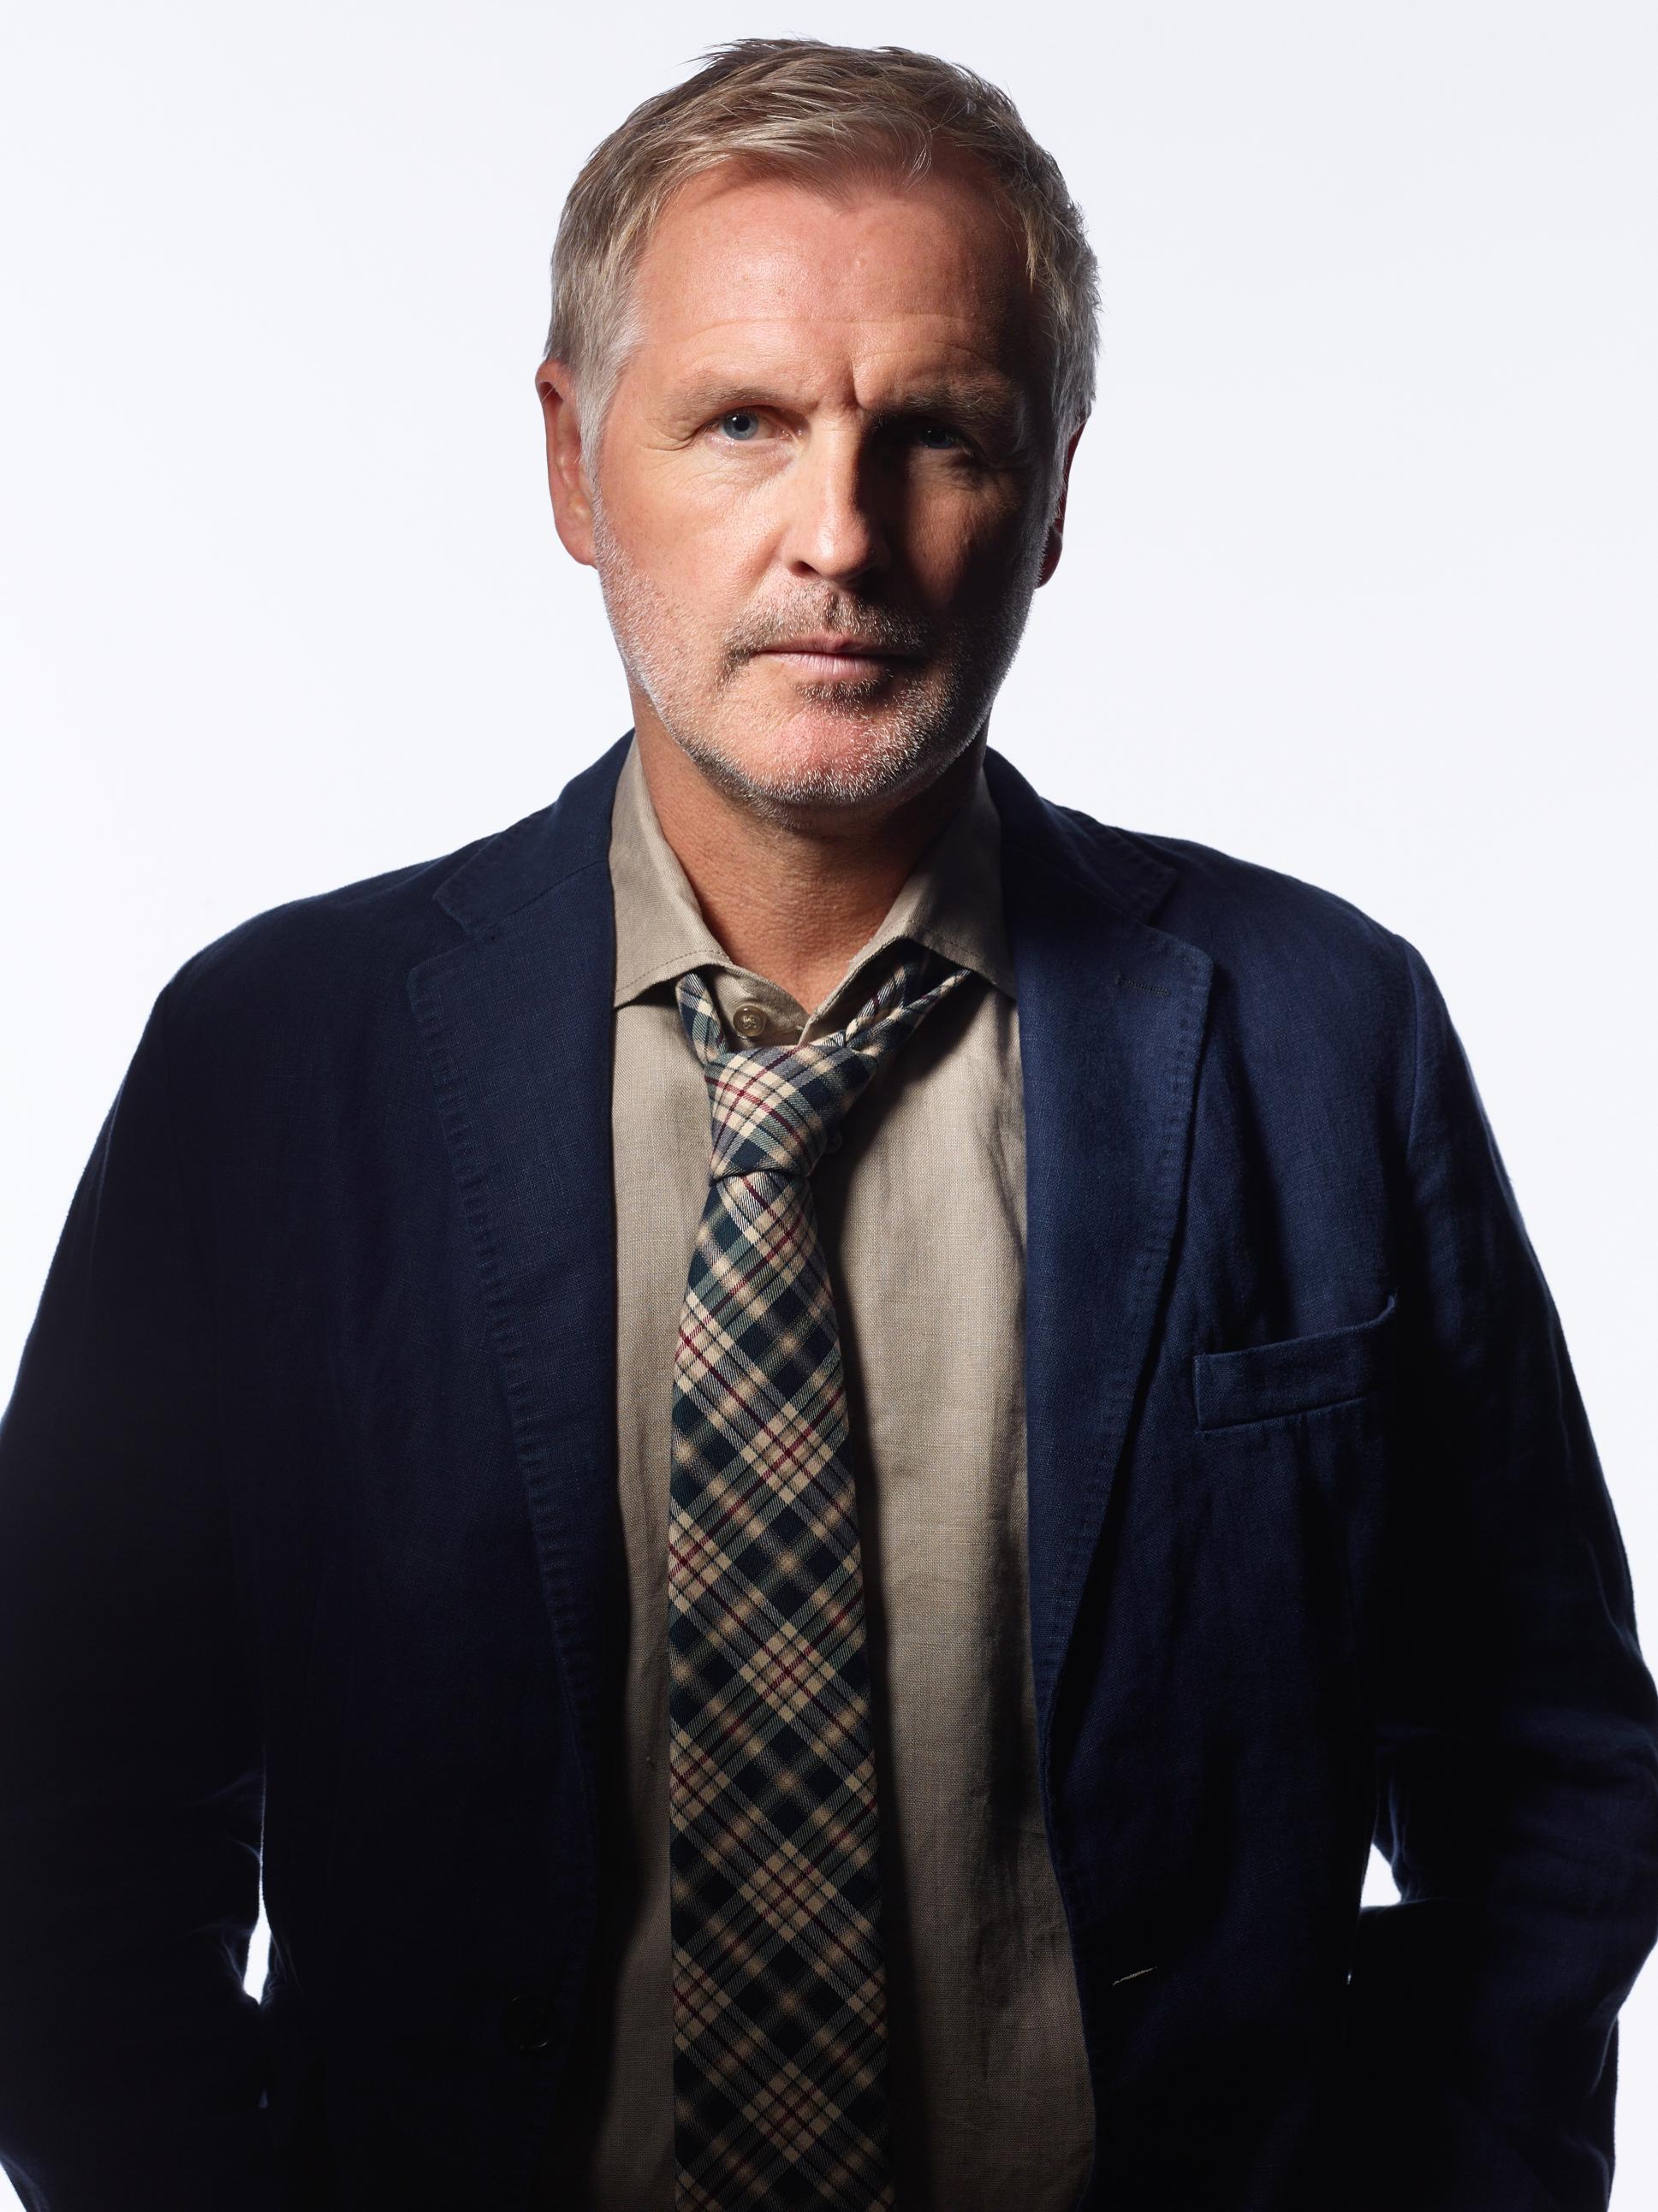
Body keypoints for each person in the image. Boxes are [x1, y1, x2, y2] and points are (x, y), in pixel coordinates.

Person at [0, 33, 1653, 2212]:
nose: (842, 538)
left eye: (940, 433)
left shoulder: (1321, 1030)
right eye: (743, 424)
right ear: (576, 463)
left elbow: (1540, 1756)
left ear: (1053, 494)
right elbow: (63, 1805)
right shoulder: (272, 1062)